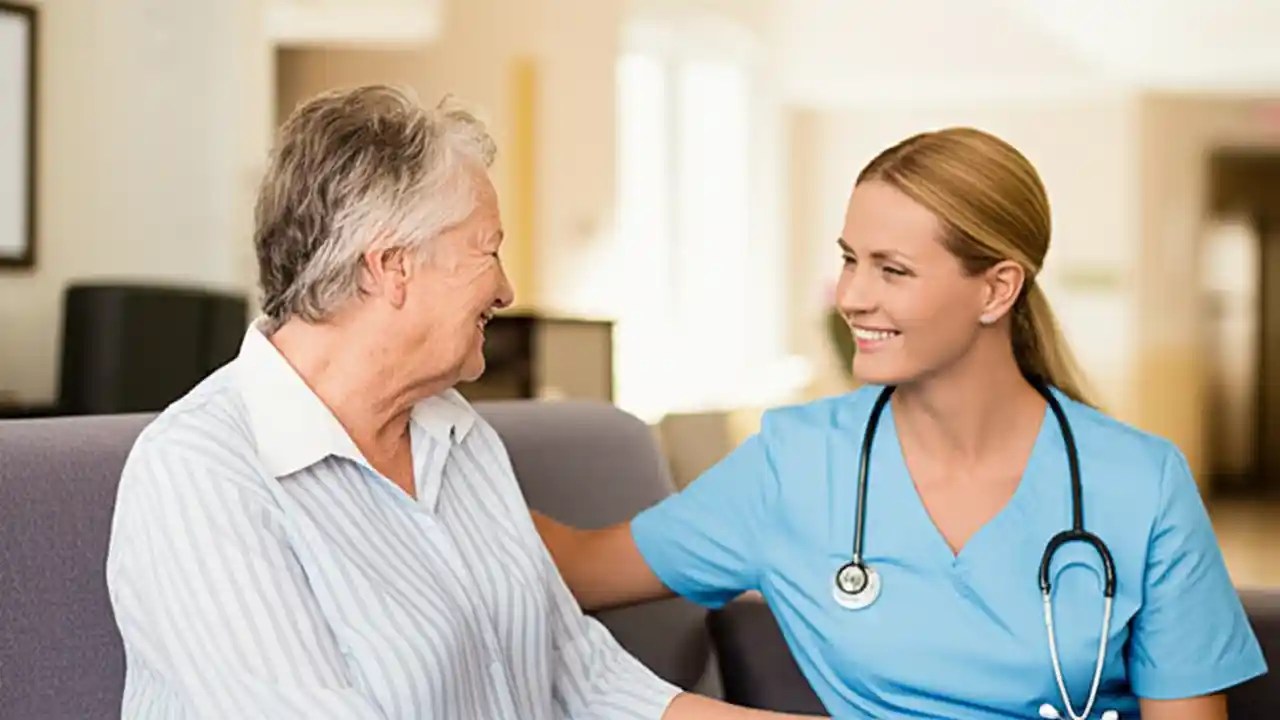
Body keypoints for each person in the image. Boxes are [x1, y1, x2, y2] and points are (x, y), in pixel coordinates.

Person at [105, 85, 822, 720]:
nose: (506, 289)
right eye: (488, 250)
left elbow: (583, 680)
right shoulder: (200, 474)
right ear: (391, 266)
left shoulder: (457, 435)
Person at [534, 127, 1268, 719]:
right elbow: (577, 566)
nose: (851, 296)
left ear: (997, 289)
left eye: (892, 270)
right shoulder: (796, 466)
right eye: (850, 260)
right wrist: (422, 447)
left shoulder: (1139, 482)